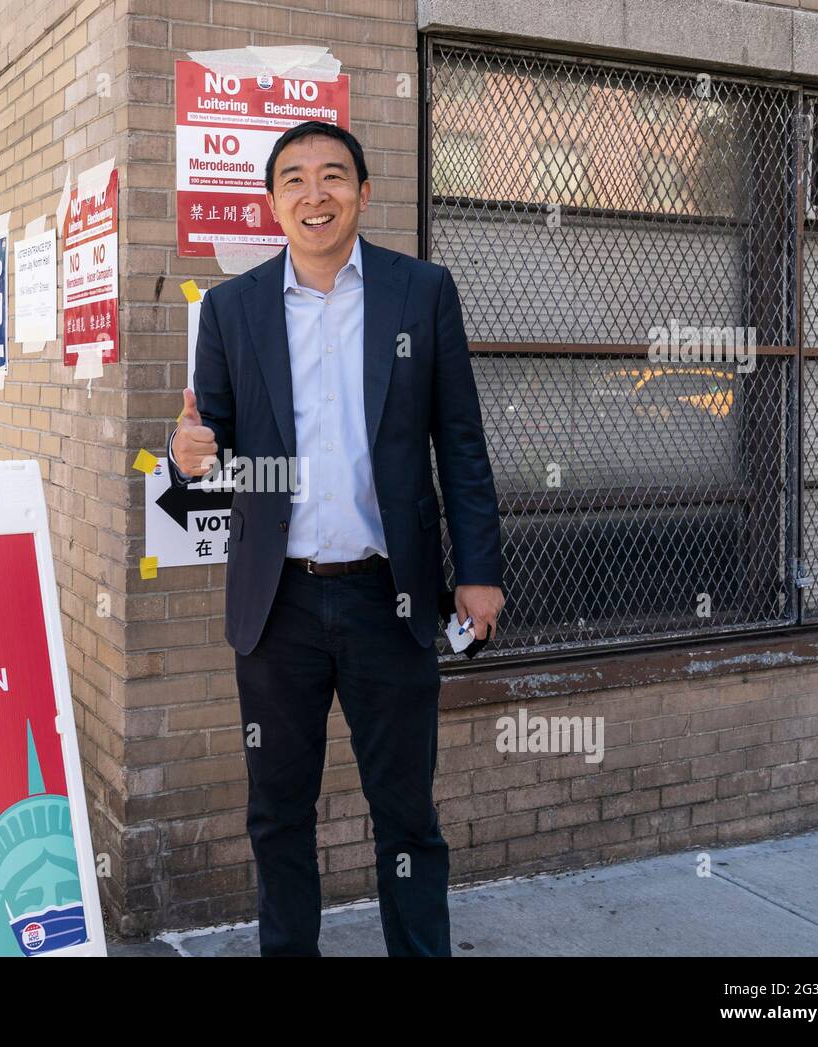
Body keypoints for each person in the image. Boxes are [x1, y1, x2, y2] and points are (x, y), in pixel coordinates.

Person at [167, 121, 505, 957]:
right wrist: (189, 460)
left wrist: (480, 571)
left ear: (362, 188)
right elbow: (212, 452)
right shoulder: (232, 308)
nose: (314, 195)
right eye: (294, 180)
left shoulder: (419, 292)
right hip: (277, 604)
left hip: (387, 595)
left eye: (333, 176)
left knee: (406, 814)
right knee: (278, 814)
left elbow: (459, 440)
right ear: (270, 202)